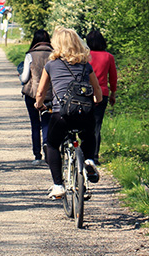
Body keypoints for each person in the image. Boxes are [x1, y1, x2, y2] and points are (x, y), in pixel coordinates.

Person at [35, 27, 103, 199]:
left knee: (52, 144)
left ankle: (58, 185)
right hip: (84, 113)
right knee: (89, 135)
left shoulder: (50, 65)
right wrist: (94, 102)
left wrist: (39, 105)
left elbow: (41, 92)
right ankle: (89, 160)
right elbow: (98, 93)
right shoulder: (86, 66)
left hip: (61, 114)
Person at [19, 29, 53, 166]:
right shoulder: (54, 54)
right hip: (51, 95)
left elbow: (25, 77)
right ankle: (47, 145)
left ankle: (37, 155)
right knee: (47, 122)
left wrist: (20, 77)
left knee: (35, 124)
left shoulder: (30, 55)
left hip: (32, 94)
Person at [86, 29, 117, 162]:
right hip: (102, 93)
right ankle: (94, 156)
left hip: (85, 93)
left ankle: (85, 153)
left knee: (85, 124)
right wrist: (113, 93)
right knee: (97, 125)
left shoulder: (85, 56)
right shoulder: (108, 57)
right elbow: (113, 77)